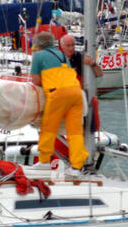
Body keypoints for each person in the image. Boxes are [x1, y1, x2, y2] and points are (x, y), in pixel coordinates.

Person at [29, 31, 88, 171]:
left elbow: (36, 81)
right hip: (76, 93)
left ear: (38, 45)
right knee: (75, 132)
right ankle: (77, 166)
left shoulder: (38, 56)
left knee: (49, 128)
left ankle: (44, 161)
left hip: (58, 94)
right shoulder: (61, 55)